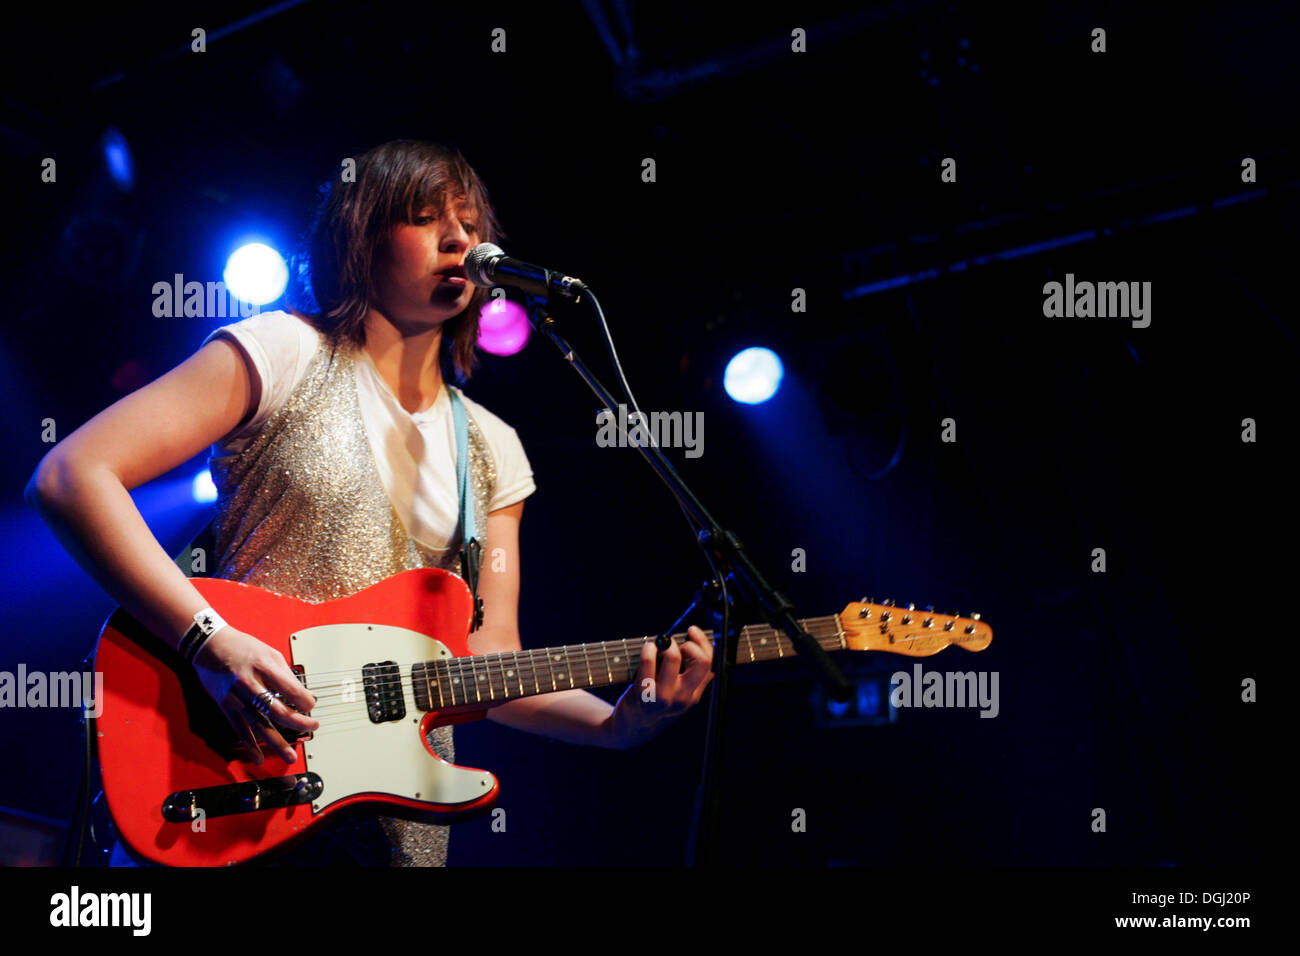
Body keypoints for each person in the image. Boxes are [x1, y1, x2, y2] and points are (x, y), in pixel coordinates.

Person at [26, 139, 714, 866]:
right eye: (425, 218)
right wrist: (209, 640)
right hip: (235, 773)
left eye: (473, 225)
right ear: (359, 241)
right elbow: (72, 476)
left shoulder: (493, 446)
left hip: (393, 833)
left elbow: (489, 663)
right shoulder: (283, 350)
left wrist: (620, 726)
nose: (460, 239)